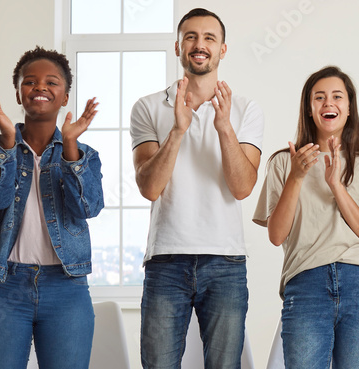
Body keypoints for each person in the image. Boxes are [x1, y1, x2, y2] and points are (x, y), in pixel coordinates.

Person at [130, 8, 264, 368]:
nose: (199, 45)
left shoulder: (246, 110)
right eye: (191, 37)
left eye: (209, 38)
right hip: (166, 259)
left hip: (225, 262)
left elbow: (242, 187)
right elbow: (149, 187)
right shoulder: (148, 107)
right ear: (178, 47)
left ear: (223, 49)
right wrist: (177, 130)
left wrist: (223, 127)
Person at [0, 46, 103, 368]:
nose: (40, 87)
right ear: (18, 95)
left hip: (66, 289)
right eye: (29, 81)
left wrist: (70, 148)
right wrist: (6, 141)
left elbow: (88, 206)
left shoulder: (84, 154)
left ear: (65, 96)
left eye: (51, 82)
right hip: (2, 286)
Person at [253, 66, 359, 369]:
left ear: (349, 107)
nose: (329, 103)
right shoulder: (283, 163)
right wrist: (297, 177)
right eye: (319, 97)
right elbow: (276, 236)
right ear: (309, 108)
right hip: (306, 283)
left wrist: (336, 186)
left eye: (337, 96)